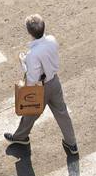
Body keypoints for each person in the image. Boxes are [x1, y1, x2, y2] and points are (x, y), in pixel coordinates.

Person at [5, 15, 80, 156]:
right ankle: (72, 143)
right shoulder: (51, 40)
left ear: (29, 32)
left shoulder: (33, 54)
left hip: (41, 87)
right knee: (62, 112)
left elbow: (32, 78)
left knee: (30, 112)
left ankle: (21, 137)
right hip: (54, 81)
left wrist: (24, 63)